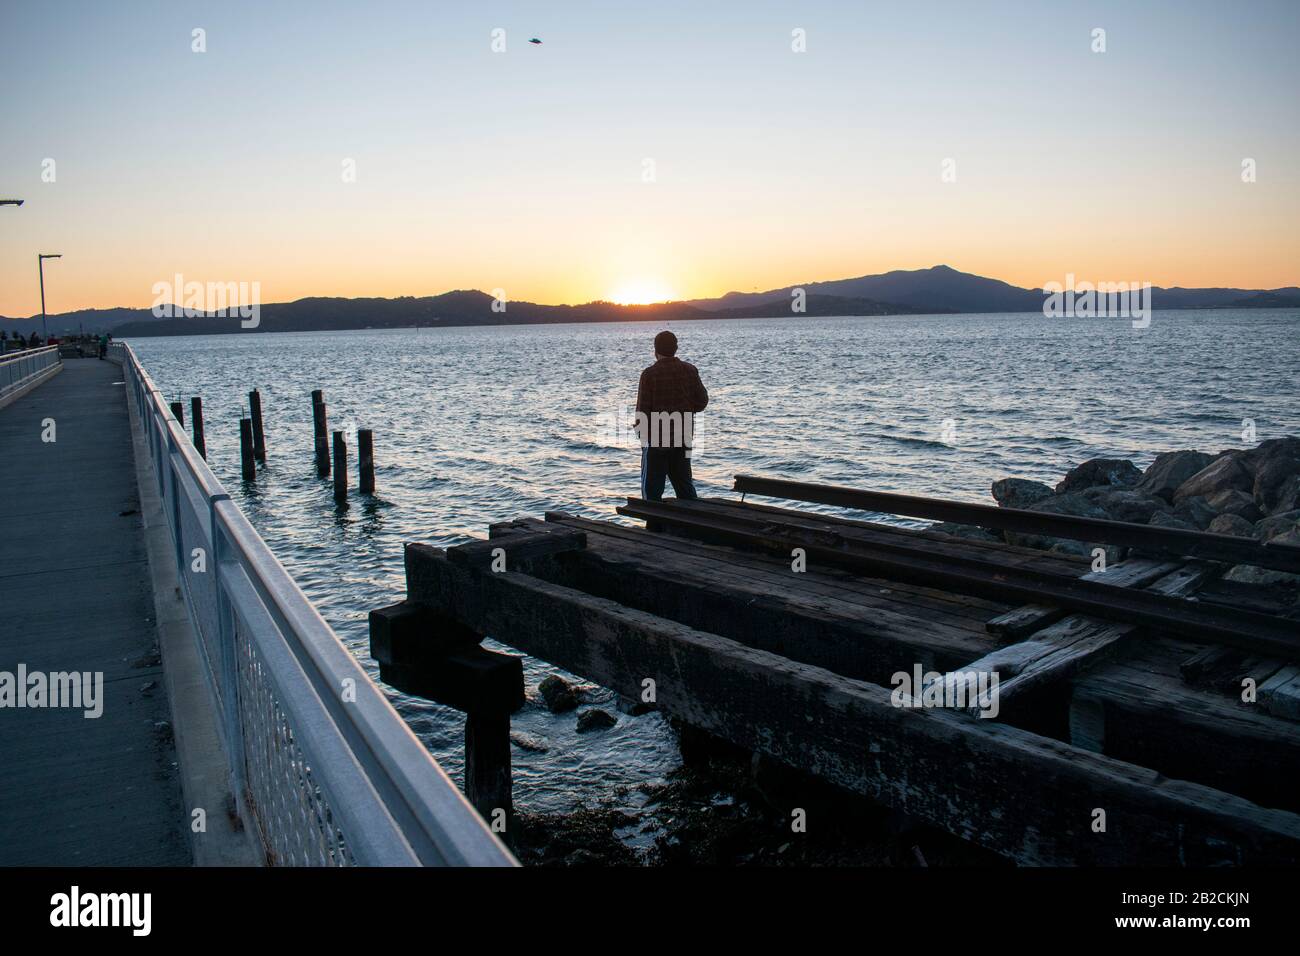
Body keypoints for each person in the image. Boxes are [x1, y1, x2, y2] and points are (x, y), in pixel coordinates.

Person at [634, 330, 708, 501]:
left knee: (652, 492)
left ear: (655, 350)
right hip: (684, 437)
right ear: (676, 348)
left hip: (657, 441)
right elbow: (702, 401)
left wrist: (642, 436)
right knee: (685, 486)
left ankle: (654, 527)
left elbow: (642, 412)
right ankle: (691, 523)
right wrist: (688, 409)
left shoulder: (649, 374)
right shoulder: (690, 370)